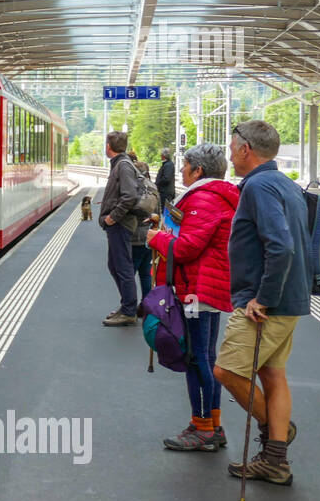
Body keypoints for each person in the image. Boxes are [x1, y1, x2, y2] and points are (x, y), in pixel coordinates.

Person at [213, 120, 308, 486]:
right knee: (272, 374)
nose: (231, 153)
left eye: (233, 146)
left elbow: (280, 246)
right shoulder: (284, 183)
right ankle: (275, 461)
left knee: (228, 371)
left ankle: (276, 437)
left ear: (245, 149)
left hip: (266, 304)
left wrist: (262, 298)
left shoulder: (259, 187)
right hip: (290, 298)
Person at [147, 143, 240, 451]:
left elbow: (187, 247)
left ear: (198, 170)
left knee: (197, 359)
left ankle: (202, 428)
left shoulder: (203, 198)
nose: (182, 170)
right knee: (206, 358)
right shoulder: (217, 196)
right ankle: (213, 424)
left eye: (185, 165)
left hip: (196, 289)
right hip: (206, 287)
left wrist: (157, 238)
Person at [99, 130, 143, 326]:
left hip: (120, 224)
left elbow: (129, 196)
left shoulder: (123, 166)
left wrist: (112, 218)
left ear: (109, 147)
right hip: (119, 224)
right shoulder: (120, 164)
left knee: (123, 267)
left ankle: (128, 310)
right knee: (115, 265)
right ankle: (127, 306)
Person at [132, 161, 154, 301]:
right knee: (146, 274)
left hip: (135, 237)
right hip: (151, 237)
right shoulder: (153, 187)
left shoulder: (134, 188)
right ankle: (146, 305)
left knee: (129, 274)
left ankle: (129, 307)